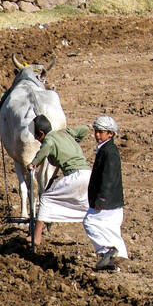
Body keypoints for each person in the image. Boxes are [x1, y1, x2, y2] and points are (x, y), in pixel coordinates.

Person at [28, 116, 90, 248]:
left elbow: (45, 149)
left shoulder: (48, 140)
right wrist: (74, 142)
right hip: (89, 174)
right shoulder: (65, 132)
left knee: (45, 198)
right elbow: (84, 129)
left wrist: (33, 164)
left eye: (36, 136)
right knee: (88, 210)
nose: (36, 139)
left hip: (75, 176)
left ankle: (36, 237)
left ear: (41, 133)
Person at [83, 114, 128, 272]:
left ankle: (105, 251)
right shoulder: (109, 149)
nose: (97, 135)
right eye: (96, 131)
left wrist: (101, 199)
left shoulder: (108, 152)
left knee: (89, 222)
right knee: (112, 230)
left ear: (111, 133)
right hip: (115, 202)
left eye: (101, 132)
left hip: (107, 201)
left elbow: (108, 177)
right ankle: (118, 262)